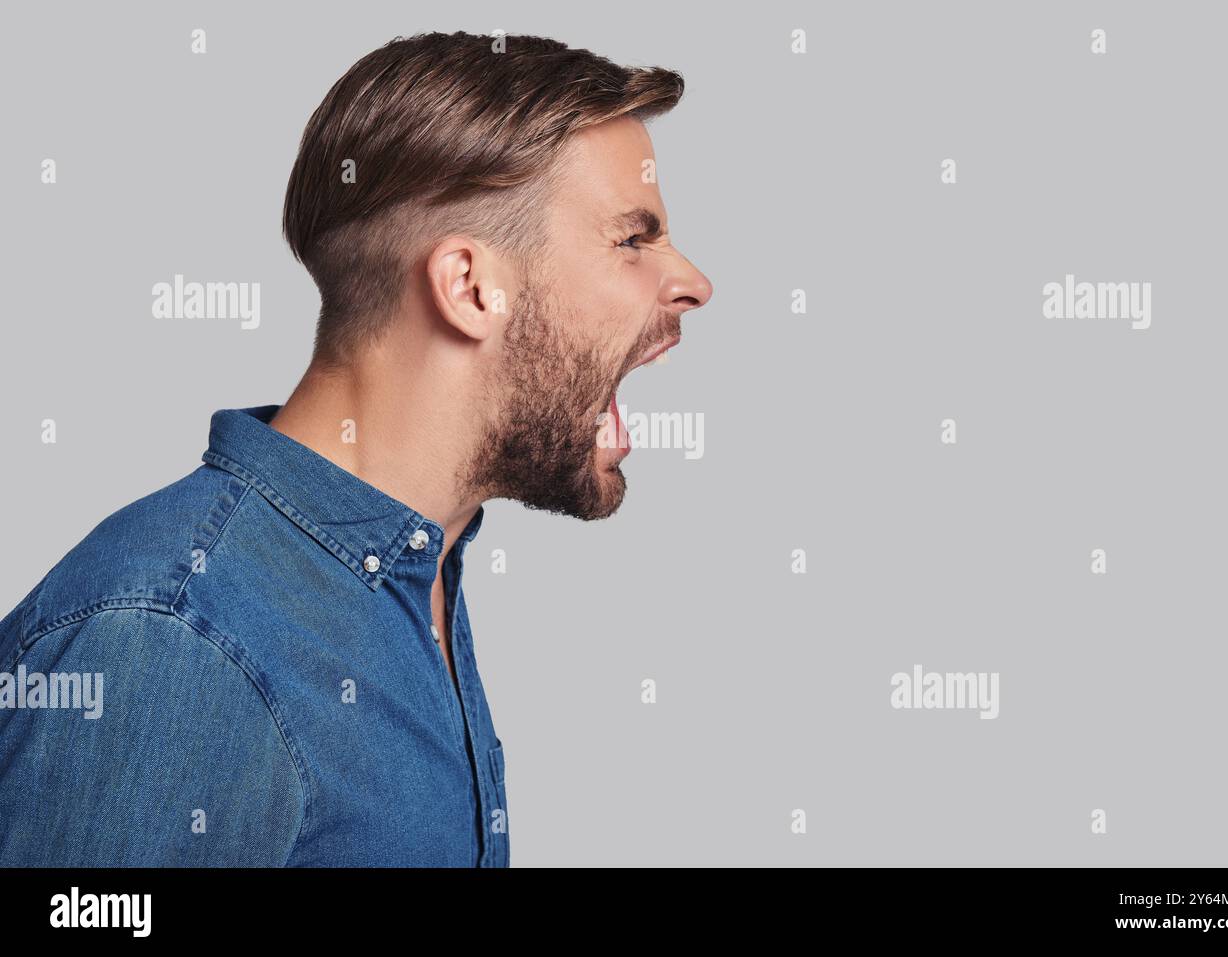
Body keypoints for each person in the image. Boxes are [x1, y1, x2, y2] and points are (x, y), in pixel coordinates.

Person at [0, 30, 712, 867]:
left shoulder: (416, 571)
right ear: (471, 288)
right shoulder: (172, 647)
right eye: (633, 239)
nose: (693, 280)